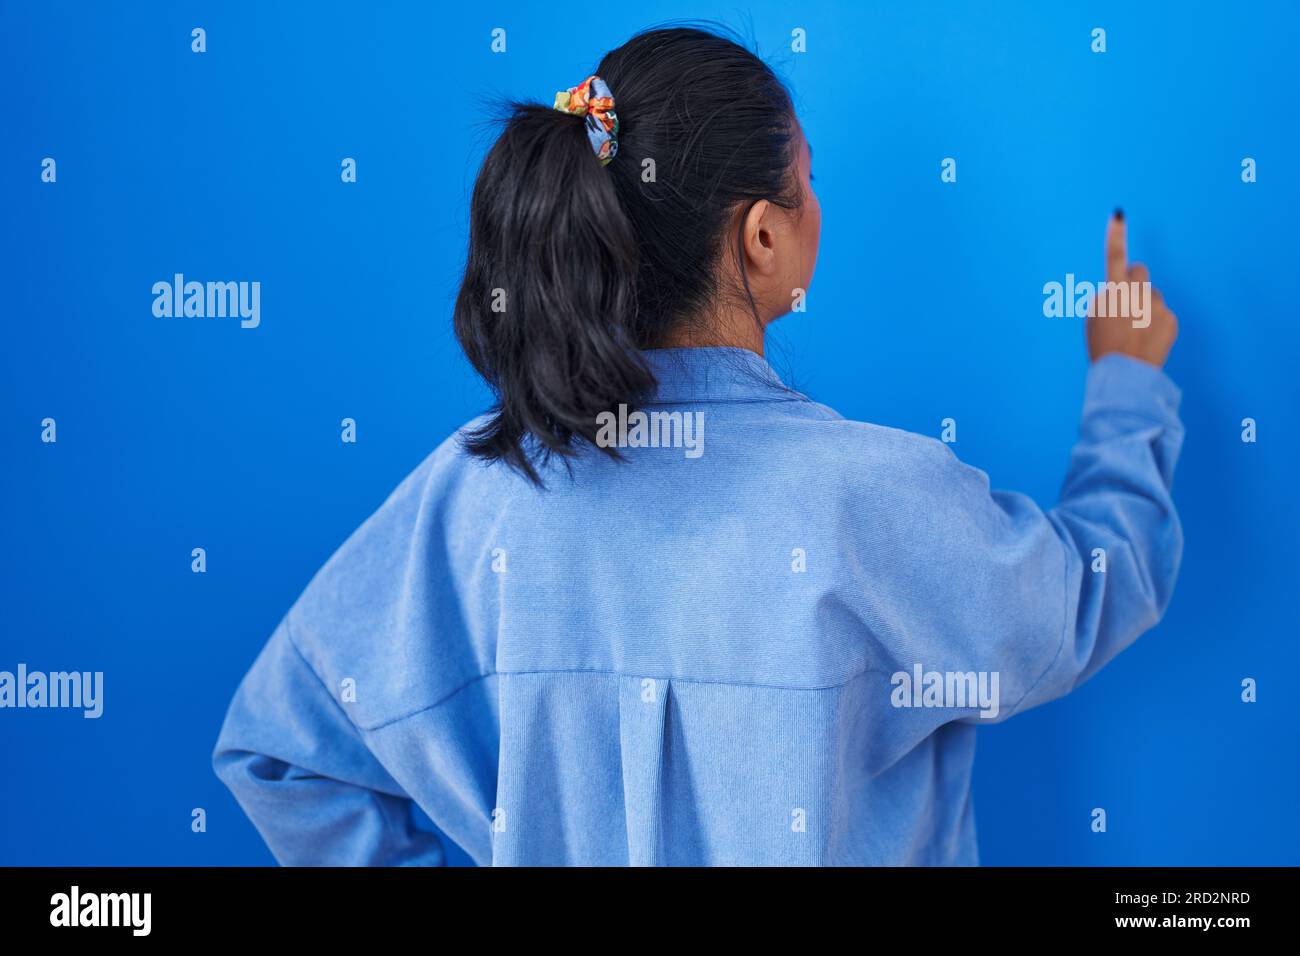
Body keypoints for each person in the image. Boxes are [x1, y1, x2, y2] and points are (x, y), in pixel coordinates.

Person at [213, 25, 1181, 866]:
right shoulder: (871, 497)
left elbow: (280, 746)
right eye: (808, 179)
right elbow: (1094, 588)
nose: (815, 200)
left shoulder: (477, 494)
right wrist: (1125, 381)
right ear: (761, 236)